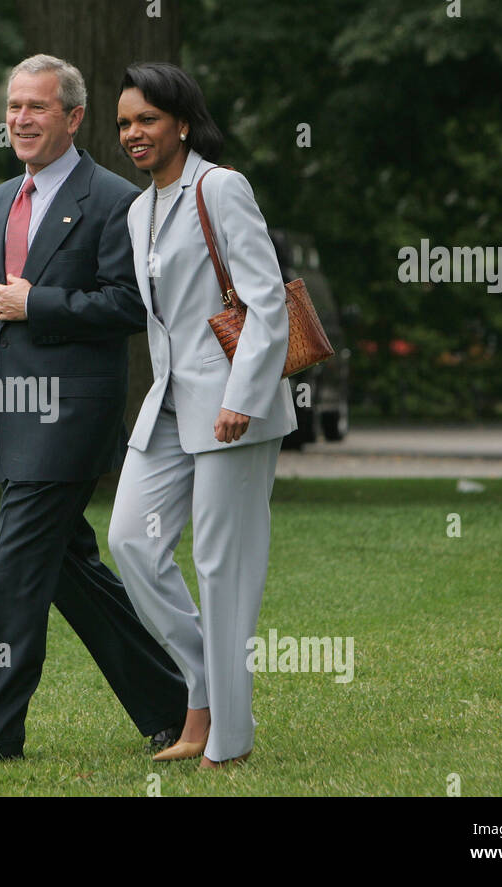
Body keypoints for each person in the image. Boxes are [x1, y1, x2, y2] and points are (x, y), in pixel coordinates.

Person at [0, 54, 188, 765]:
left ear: (73, 118)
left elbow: (128, 304)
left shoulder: (117, 198)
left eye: (36, 107)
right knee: (70, 572)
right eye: (14, 107)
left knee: (18, 568)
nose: (21, 119)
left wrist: (40, 304)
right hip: (12, 416)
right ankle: (175, 704)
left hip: (72, 420)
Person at [107, 62, 297, 769]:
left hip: (233, 409)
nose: (133, 133)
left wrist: (240, 397)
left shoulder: (220, 187)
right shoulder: (137, 209)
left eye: (147, 120)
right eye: (124, 122)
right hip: (168, 405)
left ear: (181, 123)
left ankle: (226, 733)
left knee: (223, 566)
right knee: (130, 541)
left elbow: (266, 299)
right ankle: (203, 686)